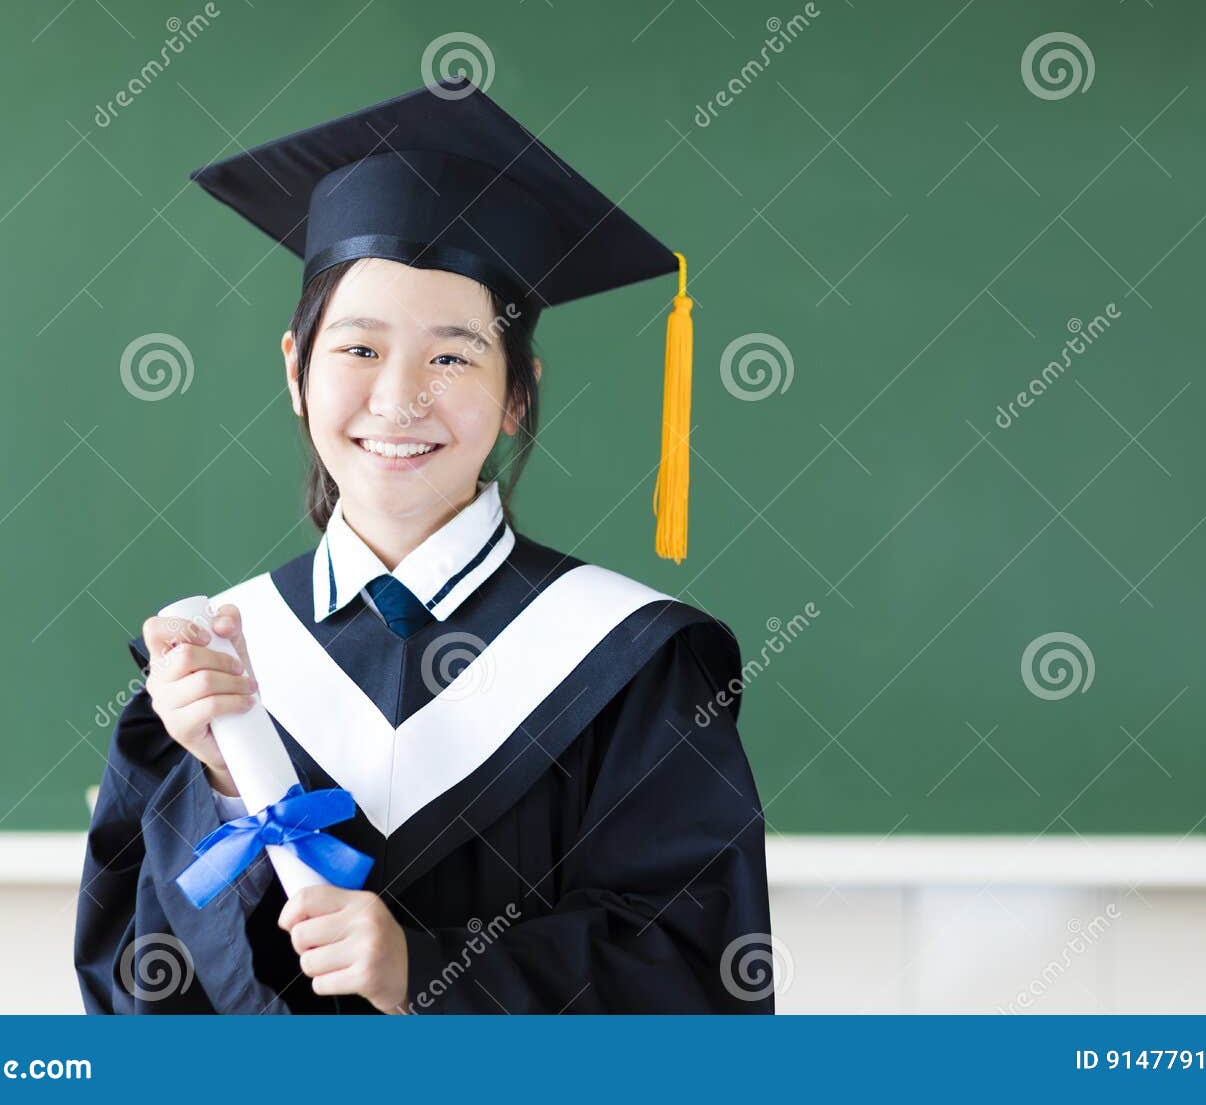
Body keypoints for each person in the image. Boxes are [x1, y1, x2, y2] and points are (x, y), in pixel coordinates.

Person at [74, 78, 773, 1014]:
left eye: (452, 355)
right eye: (358, 350)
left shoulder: (633, 664)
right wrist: (221, 784)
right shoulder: (209, 677)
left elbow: (704, 978)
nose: (399, 400)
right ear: (296, 368)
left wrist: (433, 972)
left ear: (519, 390)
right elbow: (137, 1000)